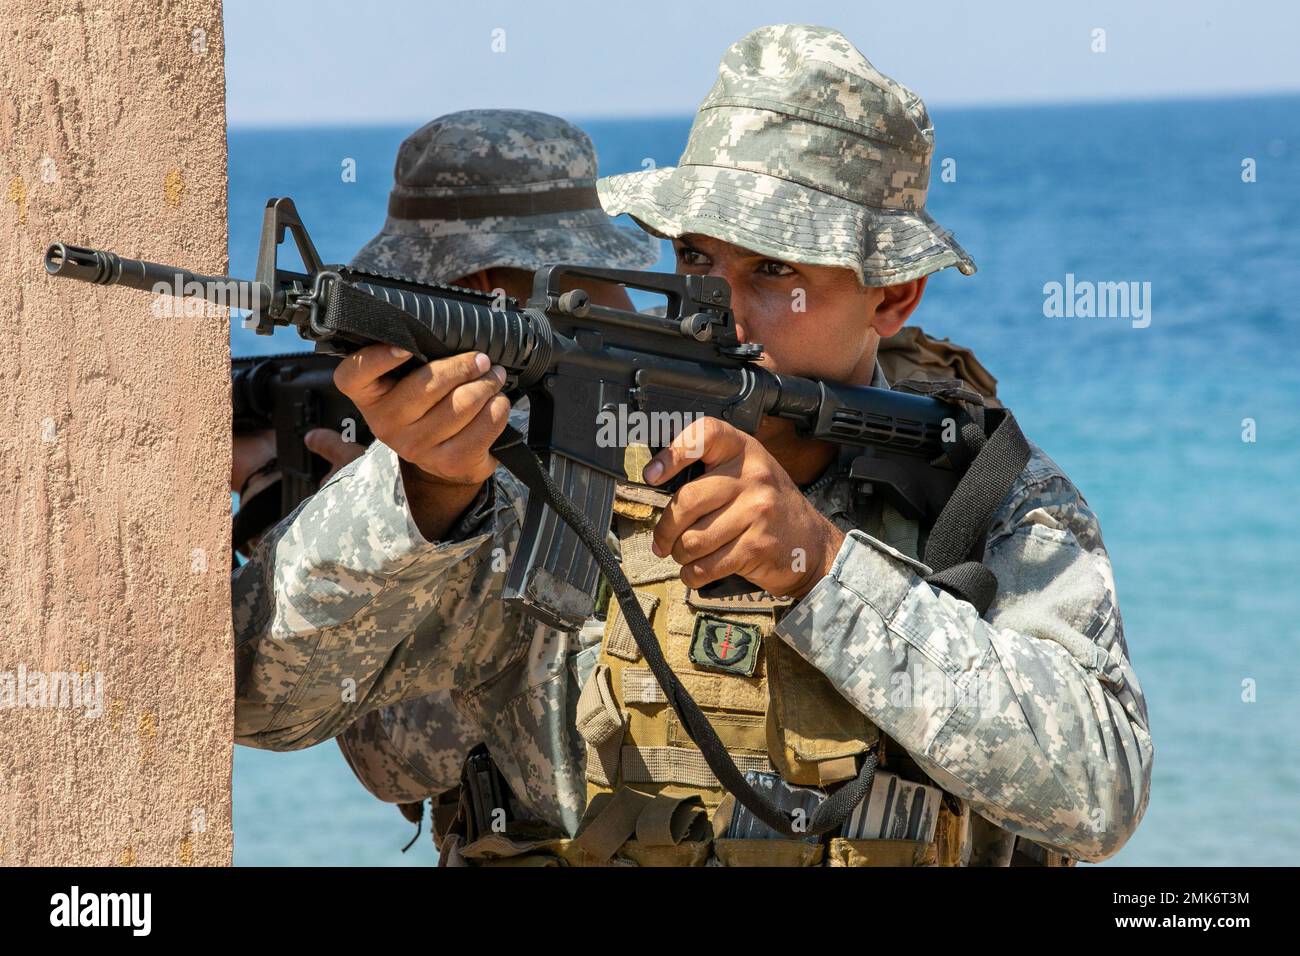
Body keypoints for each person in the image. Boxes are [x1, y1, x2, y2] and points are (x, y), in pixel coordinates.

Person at [233, 26, 1153, 867]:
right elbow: (269, 705)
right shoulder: (556, 467)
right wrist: (412, 499)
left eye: (775, 271)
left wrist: (824, 571)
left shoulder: (984, 497)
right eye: (698, 259)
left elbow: (1099, 795)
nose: (725, 307)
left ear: (893, 296)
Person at [230, 109, 658, 821]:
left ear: (477, 287)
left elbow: (393, 756)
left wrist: (385, 495)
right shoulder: (676, 401)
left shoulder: (523, 481)